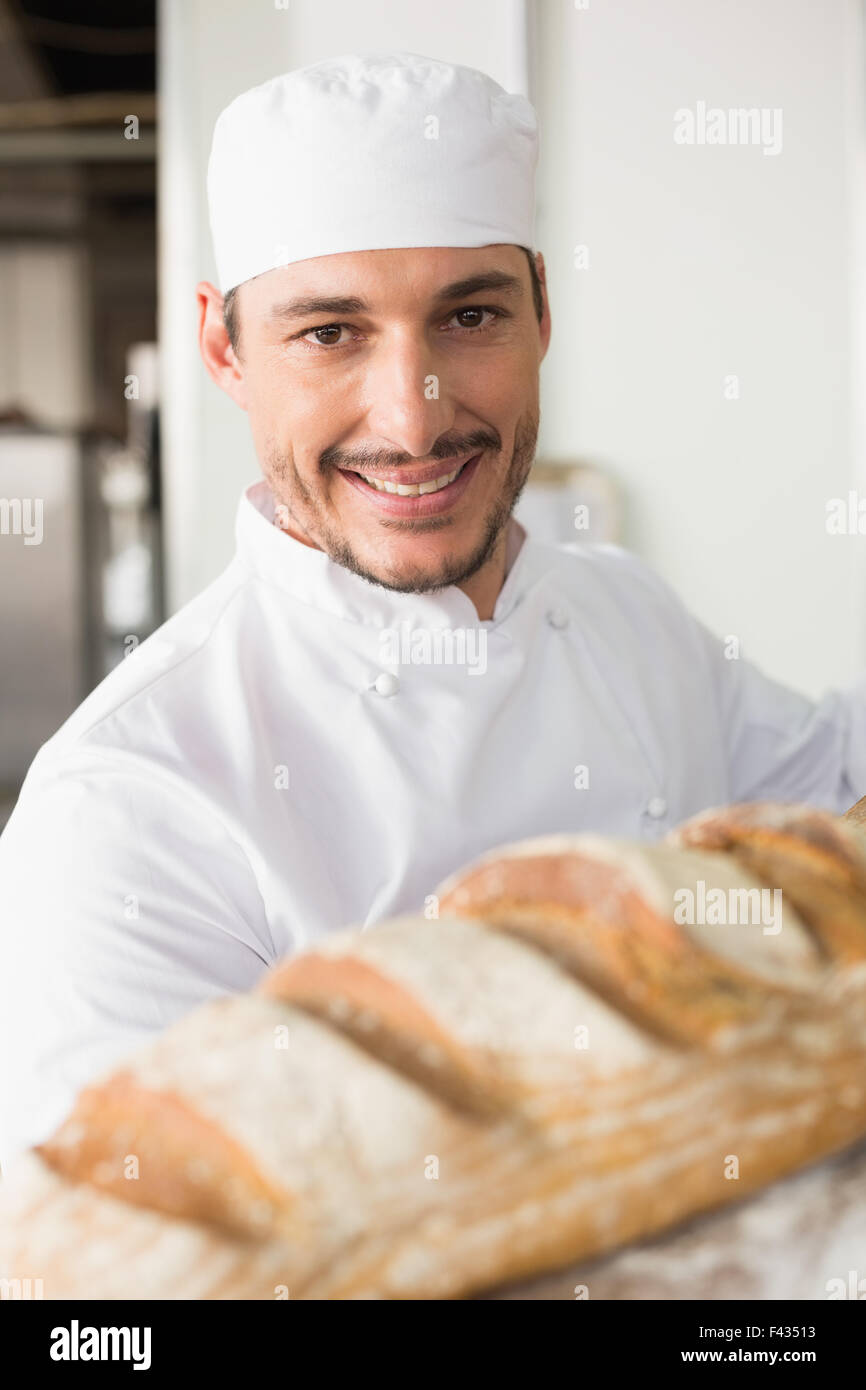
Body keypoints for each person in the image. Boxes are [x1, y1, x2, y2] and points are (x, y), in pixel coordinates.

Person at [1, 51, 864, 1176]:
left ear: (541, 312)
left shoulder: (620, 610)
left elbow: (825, 796)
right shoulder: (126, 806)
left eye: (467, 316)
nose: (412, 420)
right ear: (224, 347)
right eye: (330, 333)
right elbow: (107, 1265)